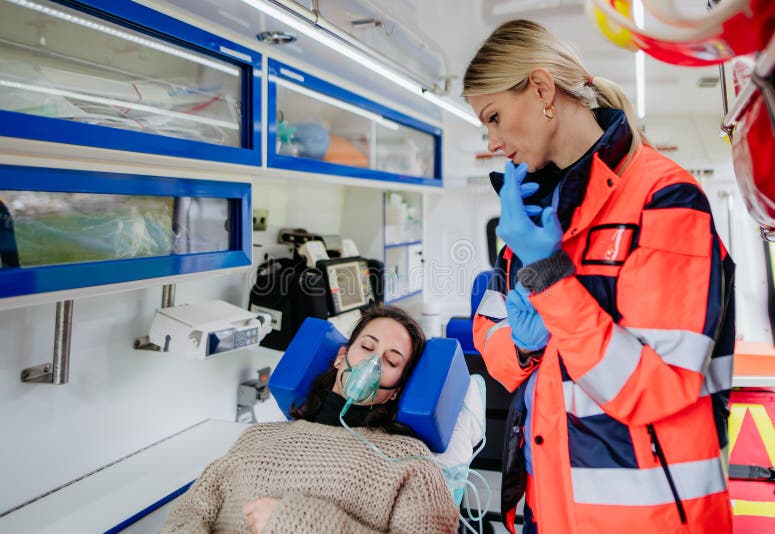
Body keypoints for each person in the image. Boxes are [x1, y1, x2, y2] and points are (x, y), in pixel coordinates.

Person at [464, 20, 735, 534]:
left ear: (542, 90)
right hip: (550, 506)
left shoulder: (665, 200)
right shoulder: (531, 221)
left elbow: (655, 388)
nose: (494, 141)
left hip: (649, 517)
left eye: (494, 117)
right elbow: (491, 334)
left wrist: (550, 280)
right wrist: (524, 348)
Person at [160, 306, 459, 533]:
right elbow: (192, 510)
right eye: (367, 347)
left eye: (391, 361)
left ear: (396, 390)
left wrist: (297, 521)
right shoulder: (257, 437)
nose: (372, 363)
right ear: (341, 357)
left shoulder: (408, 462)